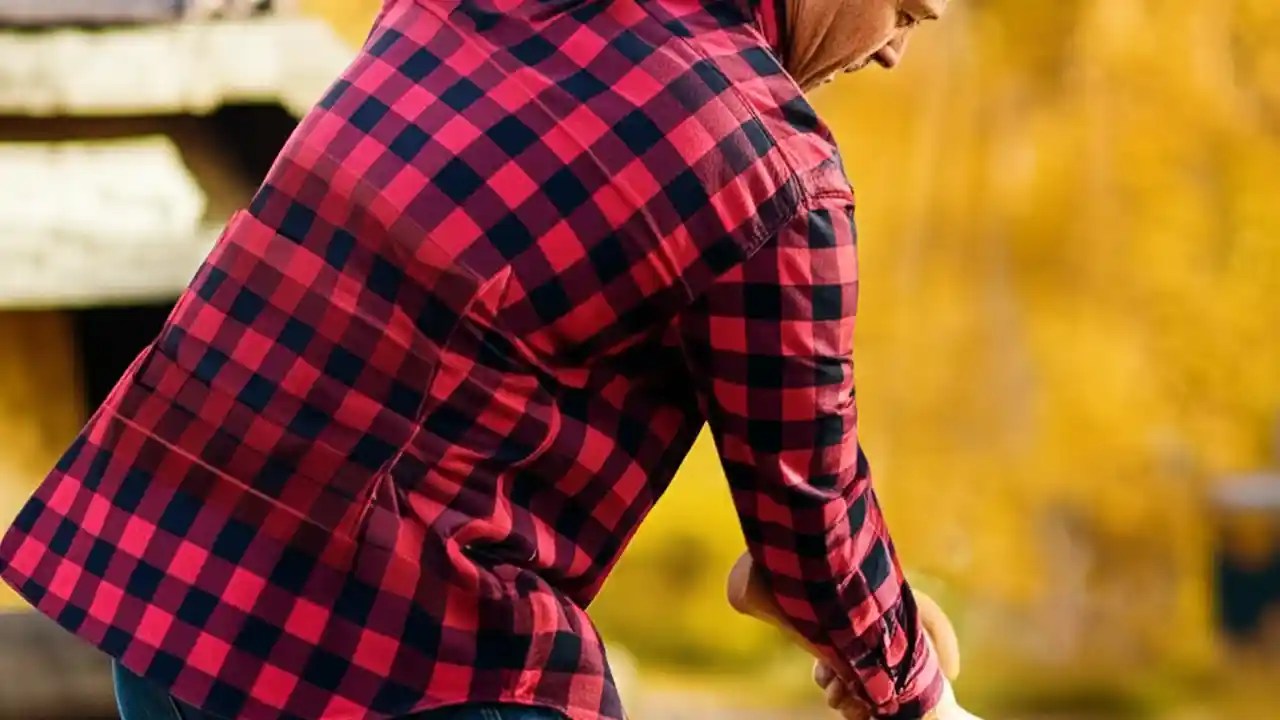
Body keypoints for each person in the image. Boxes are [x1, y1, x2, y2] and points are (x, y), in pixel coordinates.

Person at [0, 0, 974, 717]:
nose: (898, 43)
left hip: (162, 594)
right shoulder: (772, 169)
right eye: (901, 10)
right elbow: (807, 501)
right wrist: (912, 687)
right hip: (380, 654)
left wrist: (855, 615)